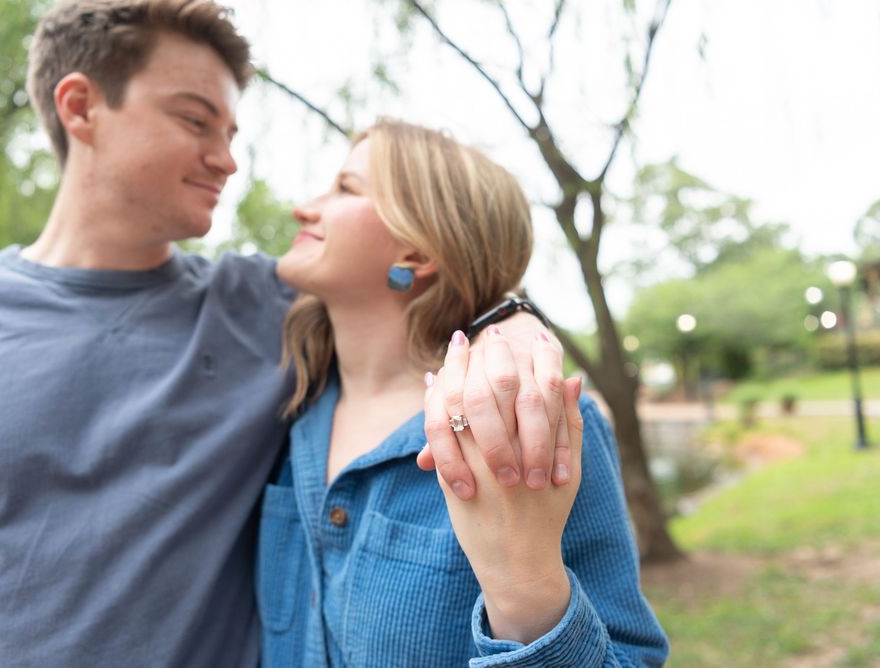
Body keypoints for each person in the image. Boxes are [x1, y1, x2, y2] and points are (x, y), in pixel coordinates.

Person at [0, 1, 566, 665]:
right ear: (80, 106)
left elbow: (425, 280)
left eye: (232, 134)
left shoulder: (269, 308)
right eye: (194, 121)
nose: (227, 160)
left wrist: (510, 327)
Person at [255, 120, 669, 667]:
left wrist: (526, 592)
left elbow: (630, 655)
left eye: (346, 189)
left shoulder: (539, 421)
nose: (304, 208)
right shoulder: (290, 411)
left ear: (418, 253)